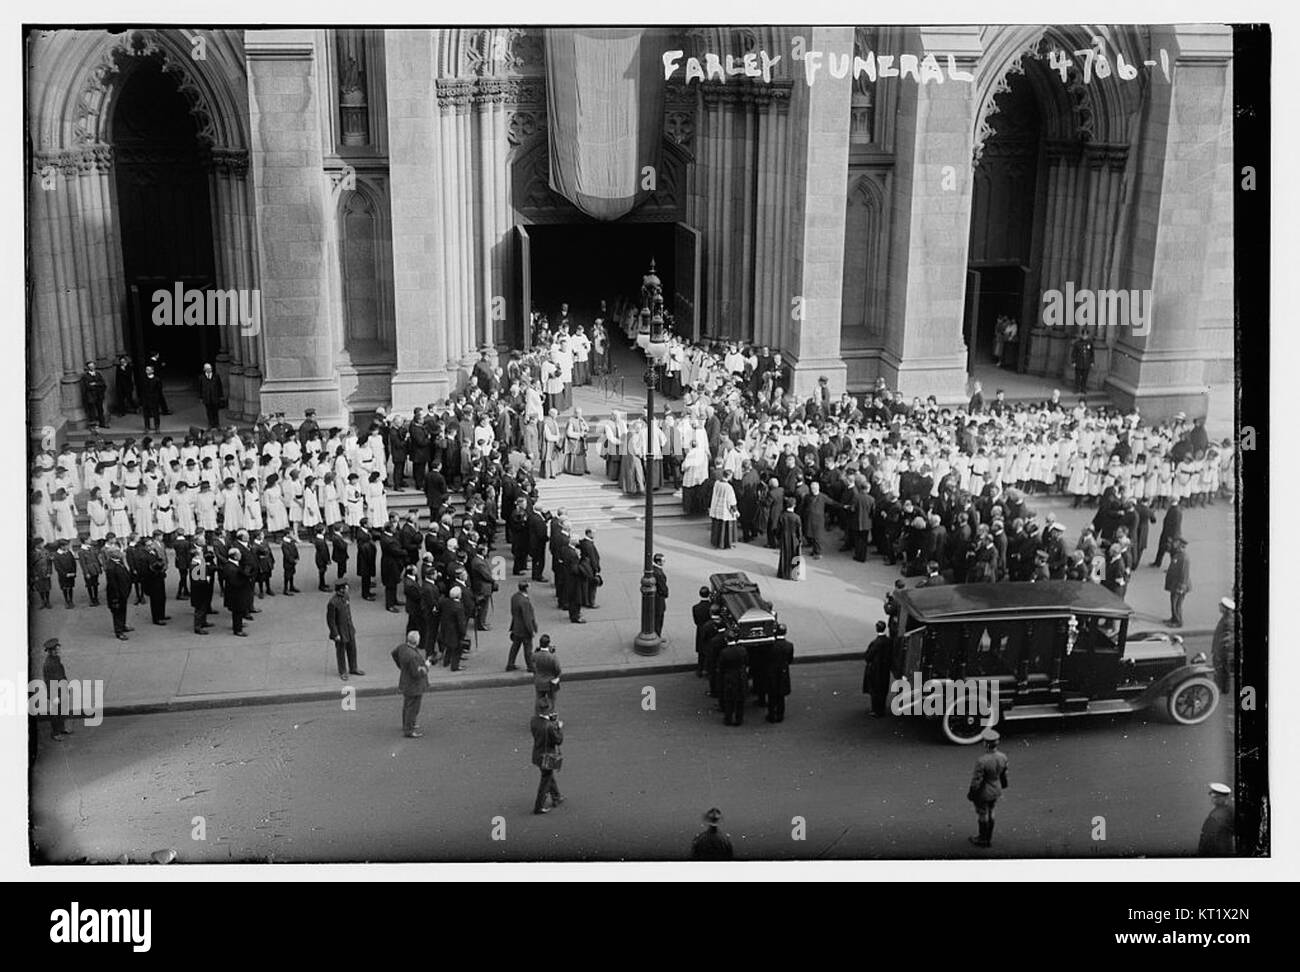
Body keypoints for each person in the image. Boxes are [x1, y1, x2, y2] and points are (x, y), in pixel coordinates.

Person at [967, 728, 1009, 848]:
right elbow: (1004, 775)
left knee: (982, 813)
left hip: (984, 792)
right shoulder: (1003, 757)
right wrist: (1003, 785)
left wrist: (972, 793)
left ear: (985, 744)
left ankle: (982, 839)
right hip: (996, 789)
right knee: (991, 811)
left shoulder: (982, 761)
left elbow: (977, 780)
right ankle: (988, 838)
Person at [530, 695, 565, 814]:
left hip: (537, 754)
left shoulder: (533, 720)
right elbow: (558, 740)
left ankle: (556, 797)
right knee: (545, 782)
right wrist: (558, 727)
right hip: (547, 757)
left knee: (548, 776)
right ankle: (538, 806)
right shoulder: (549, 726)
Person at [392, 630, 429, 739]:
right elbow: (418, 673)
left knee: (407, 705)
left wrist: (401, 666)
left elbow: (394, 654)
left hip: (406, 682)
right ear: (417, 641)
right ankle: (409, 729)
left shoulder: (402, 648)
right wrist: (427, 666)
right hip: (414, 686)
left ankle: (407, 724)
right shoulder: (413, 656)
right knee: (413, 708)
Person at [327, 582, 364, 681]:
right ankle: (342, 671)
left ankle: (353, 668)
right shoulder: (333, 603)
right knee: (341, 652)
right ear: (341, 589)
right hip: (340, 631)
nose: (347, 588)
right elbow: (331, 621)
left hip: (349, 628)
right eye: (345, 587)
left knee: (352, 649)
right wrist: (335, 634)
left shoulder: (346, 596)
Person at [42, 639, 73, 740]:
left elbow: (62, 674)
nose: (58, 650)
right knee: (56, 713)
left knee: (62, 710)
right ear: (50, 651)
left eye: (57, 648)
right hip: (55, 691)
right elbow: (48, 681)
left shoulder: (56, 659)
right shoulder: (49, 664)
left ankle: (61, 728)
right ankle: (55, 733)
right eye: (55, 649)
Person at [863, 620, 892, 717]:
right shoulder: (888, 641)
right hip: (885, 670)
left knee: (875, 691)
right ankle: (882, 709)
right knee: (883, 690)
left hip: (875, 670)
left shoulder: (875, 643)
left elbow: (868, 656)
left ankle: (876, 710)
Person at [508, 581, 538, 672]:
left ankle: (510, 664)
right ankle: (530, 666)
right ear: (526, 589)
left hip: (516, 627)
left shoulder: (515, 597)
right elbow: (527, 618)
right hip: (524, 629)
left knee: (515, 647)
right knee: (528, 649)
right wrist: (531, 630)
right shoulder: (524, 602)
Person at [1197, 782, 1234, 856]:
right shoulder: (1228, 810)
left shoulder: (1218, 814)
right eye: (1212, 796)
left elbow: (1208, 838)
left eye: (1216, 797)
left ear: (1224, 798)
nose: (1212, 799)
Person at [718, 635, 747, 726]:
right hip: (740, 676)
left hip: (729, 676)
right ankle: (739, 719)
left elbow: (721, 666)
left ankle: (728, 719)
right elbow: (746, 662)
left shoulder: (724, 652)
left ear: (726, 639)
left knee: (729, 699)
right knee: (740, 698)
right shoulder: (742, 650)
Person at [767, 624, 794, 723]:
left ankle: (771, 715)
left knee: (772, 694)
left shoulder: (770, 645)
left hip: (772, 671)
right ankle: (780, 715)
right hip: (783, 671)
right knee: (781, 695)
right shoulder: (789, 645)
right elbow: (790, 660)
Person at [189, 535, 215, 634]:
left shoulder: (200, 562)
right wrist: (206, 578)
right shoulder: (194, 565)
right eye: (200, 553)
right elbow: (196, 580)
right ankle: (198, 626)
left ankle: (203, 622)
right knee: (199, 608)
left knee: (204, 606)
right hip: (199, 590)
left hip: (203, 588)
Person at [105, 547, 132, 640]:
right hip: (116, 594)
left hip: (123, 592)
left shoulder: (119, 562)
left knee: (123, 610)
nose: (120, 552)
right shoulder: (111, 567)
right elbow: (112, 584)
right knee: (117, 613)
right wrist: (115, 597)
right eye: (117, 551)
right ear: (112, 554)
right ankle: (119, 631)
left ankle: (123, 625)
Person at [1163, 538, 1190, 628]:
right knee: (1173, 602)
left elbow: (1184, 574)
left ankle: (1178, 622)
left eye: (1176, 543)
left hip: (1179, 585)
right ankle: (1173, 618)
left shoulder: (1183, 557)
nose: (1174, 544)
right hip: (1175, 584)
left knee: (1177, 604)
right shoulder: (1178, 554)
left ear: (1180, 545)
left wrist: (1181, 586)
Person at [1211, 597, 1235, 693]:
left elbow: (1226, 639)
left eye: (1220, 605)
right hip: (1222, 650)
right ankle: (1222, 687)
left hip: (1224, 651)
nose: (1219, 606)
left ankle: (1224, 689)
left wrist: (1218, 652)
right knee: (1223, 669)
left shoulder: (1228, 620)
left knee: (1224, 670)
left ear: (1225, 608)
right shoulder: (1226, 617)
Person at [776, 498, 803, 580]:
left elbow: (778, 529)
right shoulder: (797, 517)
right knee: (794, 556)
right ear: (794, 505)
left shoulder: (782, 516)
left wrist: (778, 537)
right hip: (794, 539)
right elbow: (799, 530)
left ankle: (783, 573)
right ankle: (793, 574)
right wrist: (800, 539)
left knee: (784, 555)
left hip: (784, 538)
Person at [533, 634, 561, 705]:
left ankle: (540, 710)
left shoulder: (535, 655)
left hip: (539, 682)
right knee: (551, 700)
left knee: (539, 699)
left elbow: (533, 667)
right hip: (550, 682)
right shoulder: (552, 657)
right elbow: (558, 670)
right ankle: (550, 710)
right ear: (548, 644)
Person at [81, 361, 108, 428]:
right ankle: (93, 425)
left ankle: (102, 423)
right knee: (92, 411)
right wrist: (97, 385)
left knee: (100, 409)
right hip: (91, 395)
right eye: (90, 366)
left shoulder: (98, 374)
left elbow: (103, 383)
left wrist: (95, 384)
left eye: (92, 366)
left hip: (99, 395)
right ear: (88, 367)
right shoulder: (85, 376)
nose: (92, 367)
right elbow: (87, 386)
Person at [199, 362, 225, 429]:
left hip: (215, 397)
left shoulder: (216, 376)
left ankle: (217, 424)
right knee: (209, 411)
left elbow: (219, 386)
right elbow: (200, 388)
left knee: (215, 411)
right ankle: (210, 423)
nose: (209, 370)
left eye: (210, 368)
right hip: (207, 397)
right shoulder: (201, 377)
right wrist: (201, 397)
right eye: (207, 368)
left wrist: (221, 396)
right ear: (204, 369)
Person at [139, 364, 164, 432]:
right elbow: (141, 389)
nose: (147, 371)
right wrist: (142, 399)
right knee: (146, 414)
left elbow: (159, 390)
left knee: (156, 413)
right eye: (146, 369)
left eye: (149, 369)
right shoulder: (143, 379)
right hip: (146, 398)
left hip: (154, 399)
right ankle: (147, 426)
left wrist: (158, 399)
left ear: (152, 370)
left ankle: (157, 426)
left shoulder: (157, 379)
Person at [652, 552, 669, 637]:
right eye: (663, 561)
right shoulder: (658, 573)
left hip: (656, 597)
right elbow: (663, 587)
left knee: (657, 618)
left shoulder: (654, 569)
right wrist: (666, 593)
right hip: (659, 599)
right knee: (659, 618)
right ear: (658, 562)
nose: (664, 562)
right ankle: (657, 635)